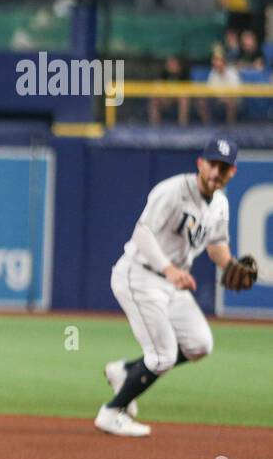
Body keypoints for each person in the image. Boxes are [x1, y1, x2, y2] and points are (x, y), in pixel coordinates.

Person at [99, 138, 244, 437]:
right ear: (200, 163)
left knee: (200, 344)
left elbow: (217, 245)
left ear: (233, 172)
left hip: (171, 284)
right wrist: (169, 270)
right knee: (163, 355)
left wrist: (231, 266)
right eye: (213, 164)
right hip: (140, 275)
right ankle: (112, 412)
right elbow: (142, 233)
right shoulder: (173, 191)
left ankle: (126, 371)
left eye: (224, 167)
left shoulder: (220, 204)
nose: (217, 171)